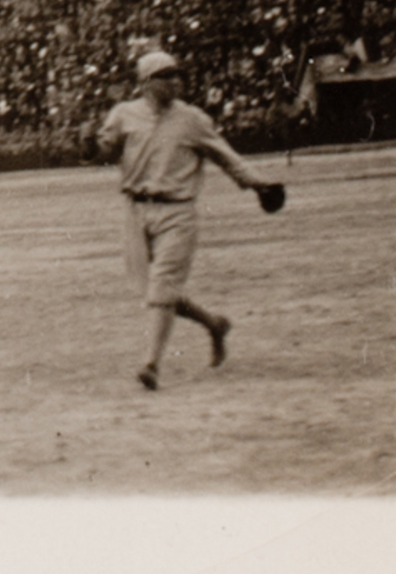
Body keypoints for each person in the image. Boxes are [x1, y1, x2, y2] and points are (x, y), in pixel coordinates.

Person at [96, 48, 278, 391]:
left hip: (177, 212)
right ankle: (214, 324)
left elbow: (226, 156)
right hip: (135, 211)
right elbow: (103, 152)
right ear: (146, 83)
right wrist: (93, 146)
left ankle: (151, 364)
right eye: (167, 76)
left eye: (178, 74)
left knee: (162, 287)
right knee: (153, 293)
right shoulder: (124, 114)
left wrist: (258, 184)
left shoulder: (191, 118)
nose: (176, 81)